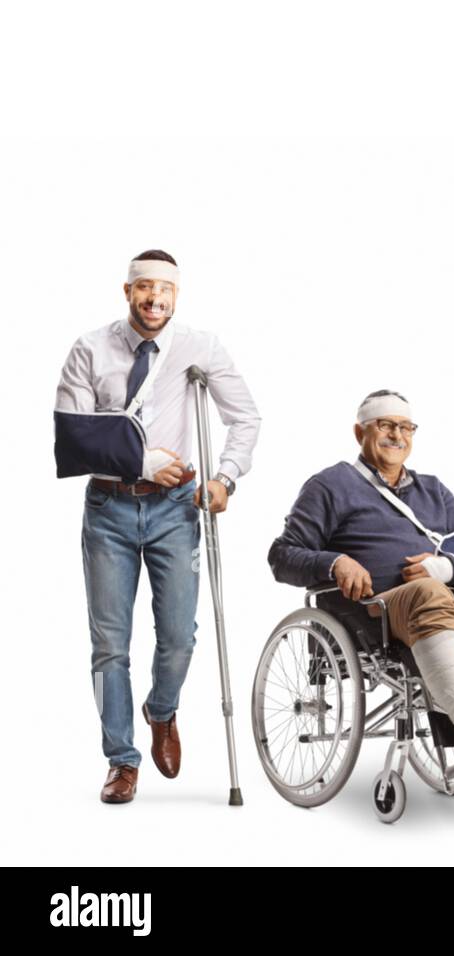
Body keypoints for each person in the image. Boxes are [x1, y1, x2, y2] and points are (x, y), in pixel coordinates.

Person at [55, 249, 262, 804]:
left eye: (164, 290)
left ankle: (161, 710)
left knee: (178, 636)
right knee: (110, 644)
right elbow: (74, 438)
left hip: (176, 509)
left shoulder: (201, 346)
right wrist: (141, 461)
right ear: (127, 292)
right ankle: (121, 760)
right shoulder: (90, 349)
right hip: (109, 509)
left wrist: (225, 478)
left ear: (177, 294)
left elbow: (245, 417)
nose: (154, 299)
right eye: (144, 288)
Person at [267, 389, 454, 774]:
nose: (397, 435)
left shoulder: (433, 490)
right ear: (360, 433)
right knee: (427, 593)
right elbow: (282, 556)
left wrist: (442, 567)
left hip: (451, 604)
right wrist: (334, 561)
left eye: (406, 427)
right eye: (386, 425)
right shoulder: (329, 486)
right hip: (378, 613)